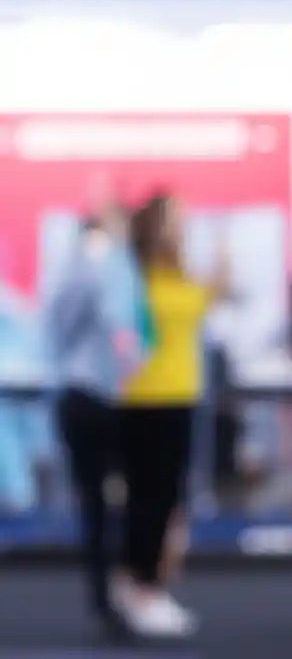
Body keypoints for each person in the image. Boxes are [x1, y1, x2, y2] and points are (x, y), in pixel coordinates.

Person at [116, 193, 227, 638]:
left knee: (165, 500)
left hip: (179, 397)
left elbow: (214, 290)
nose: (183, 225)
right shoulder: (134, 275)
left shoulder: (182, 274)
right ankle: (141, 587)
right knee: (148, 499)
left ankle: (146, 585)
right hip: (143, 398)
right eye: (176, 219)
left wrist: (217, 246)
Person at [46, 208, 148, 636]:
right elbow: (68, 329)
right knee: (100, 502)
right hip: (94, 398)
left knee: (116, 501)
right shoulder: (94, 273)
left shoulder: (116, 270)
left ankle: (122, 592)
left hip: (107, 396)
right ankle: (111, 595)